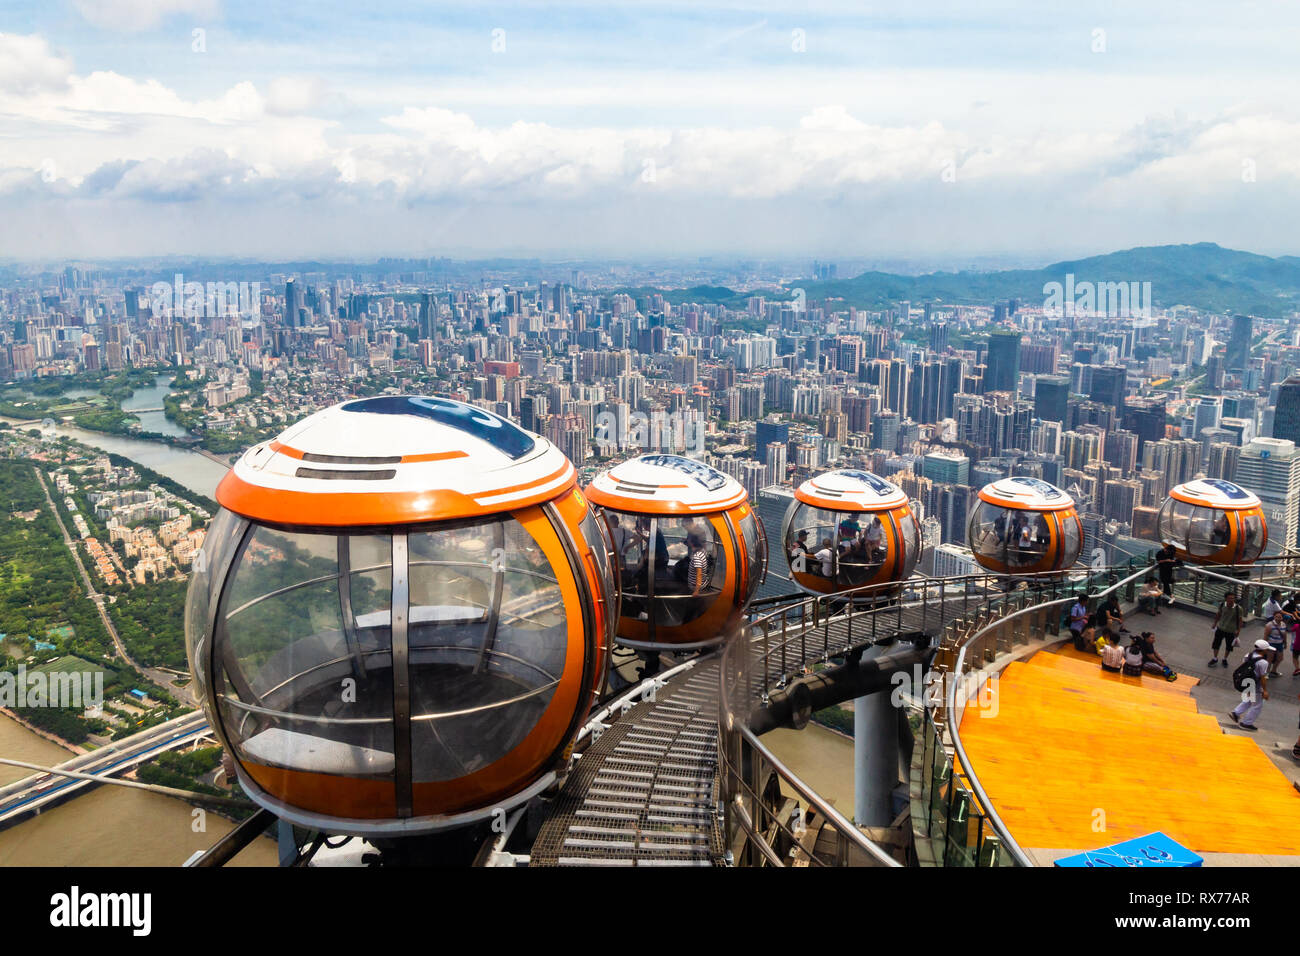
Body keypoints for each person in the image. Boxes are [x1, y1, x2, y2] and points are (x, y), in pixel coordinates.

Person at [1228, 639, 1272, 732]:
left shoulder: (1248, 655)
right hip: (1256, 684)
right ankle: (1246, 723)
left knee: (1250, 699)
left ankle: (1236, 713)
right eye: (1267, 649)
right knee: (1257, 705)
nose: (1268, 651)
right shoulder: (1263, 662)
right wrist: (1265, 690)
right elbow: (1263, 677)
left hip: (1247, 681)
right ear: (1263, 650)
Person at [1210, 591, 1244, 668]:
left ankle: (1225, 659)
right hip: (1220, 628)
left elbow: (1240, 620)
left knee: (1229, 646)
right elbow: (1218, 614)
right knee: (1216, 644)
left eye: (1233, 598)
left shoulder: (1238, 609)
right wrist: (1215, 623)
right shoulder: (1222, 605)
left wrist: (1238, 630)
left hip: (1231, 631)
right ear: (1226, 599)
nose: (1231, 600)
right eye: (1229, 598)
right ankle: (1215, 658)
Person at [1263, 609, 1289, 679]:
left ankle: (1274, 670)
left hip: (1279, 644)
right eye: (1277, 617)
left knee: (1280, 658)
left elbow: (1284, 634)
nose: (1278, 618)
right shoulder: (1269, 625)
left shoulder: (1283, 624)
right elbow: (1265, 636)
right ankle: (1266, 673)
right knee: (1269, 659)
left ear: (1282, 617)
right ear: (1274, 617)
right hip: (1271, 644)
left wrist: (1285, 643)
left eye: (1280, 617)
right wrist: (1264, 646)